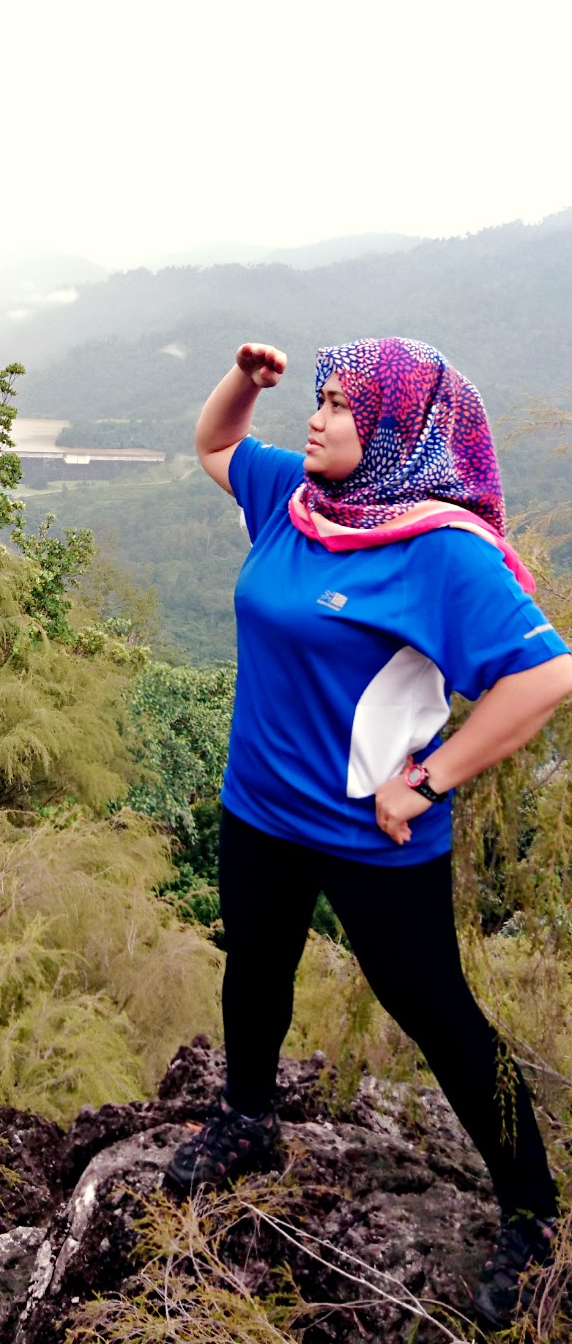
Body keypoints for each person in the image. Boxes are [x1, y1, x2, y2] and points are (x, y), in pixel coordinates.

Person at [166, 338, 572, 1327]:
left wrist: (428, 782)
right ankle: (247, 1118)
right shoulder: (295, 499)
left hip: (367, 836)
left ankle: (535, 1211)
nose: (316, 417)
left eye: (340, 405)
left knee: (436, 1013)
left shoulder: (439, 548)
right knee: (255, 967)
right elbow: (216, 446)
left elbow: (547, 675)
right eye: (316, 398)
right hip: (258, 806)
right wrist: (245, 385)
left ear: (397, 430)